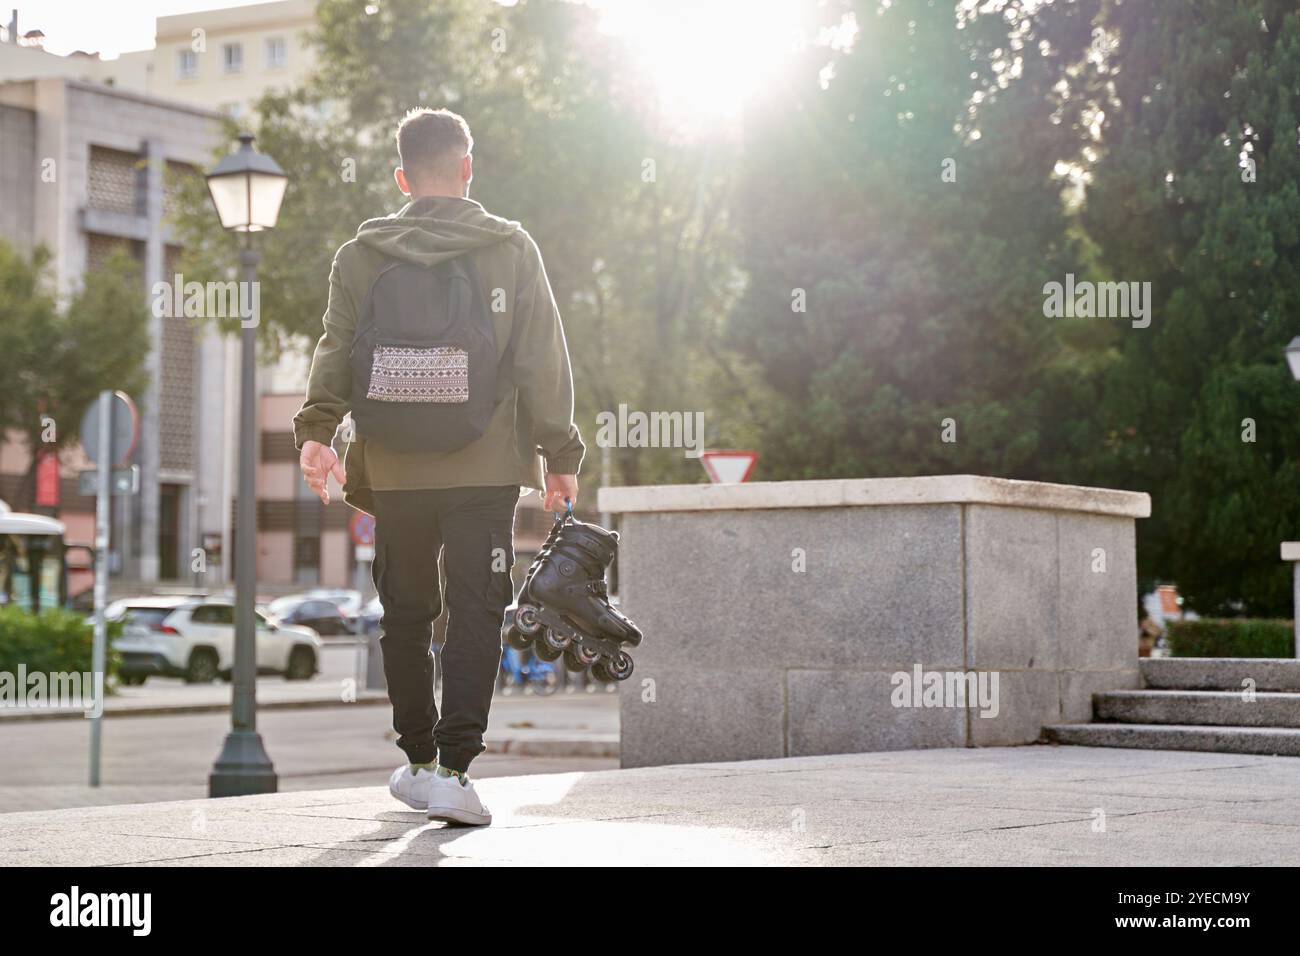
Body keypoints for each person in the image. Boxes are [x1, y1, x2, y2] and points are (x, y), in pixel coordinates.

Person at [293, 107, 584, 826]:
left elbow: (335, 348)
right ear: (467, 168)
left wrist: (318, 430)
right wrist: (560, 455)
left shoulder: (360, 256)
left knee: (406, 612)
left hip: (391, 469)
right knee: (477, 610)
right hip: (484, 467)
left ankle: (418, 761)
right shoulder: (511, 248)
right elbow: (541, 358)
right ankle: (455, 769)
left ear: (401, 178)